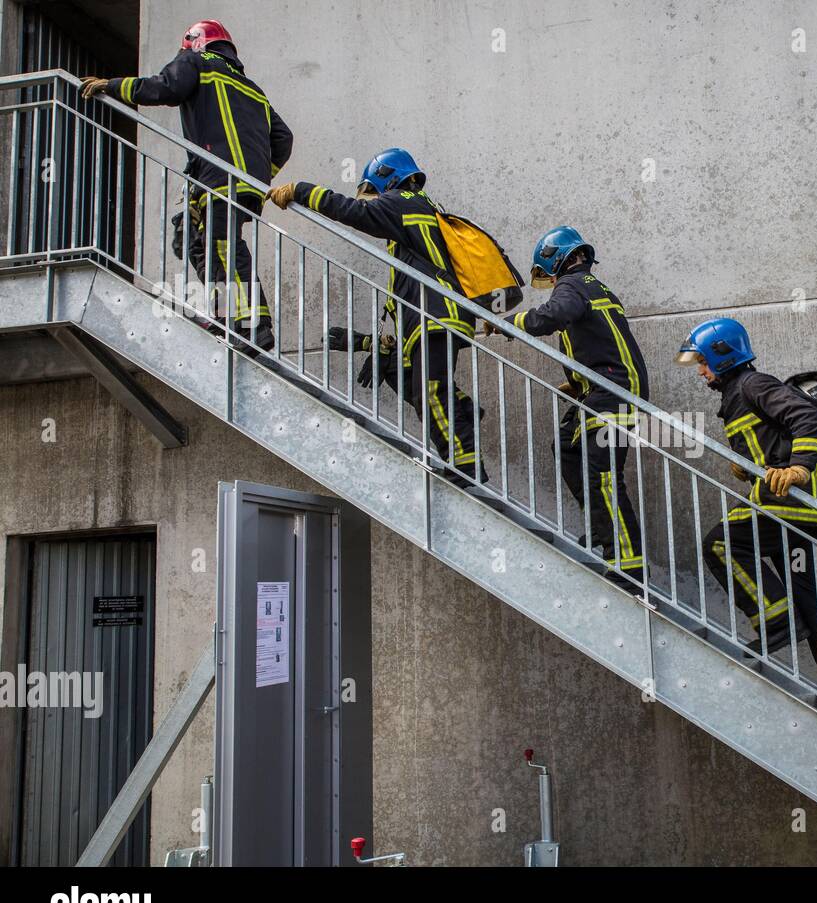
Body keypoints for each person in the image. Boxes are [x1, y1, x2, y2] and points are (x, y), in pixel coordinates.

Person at [677, 317, 817, 734]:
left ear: (721, 355)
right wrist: (748, 467)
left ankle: (776, 619)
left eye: (702, 362)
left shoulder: (753, 385)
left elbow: (805, 420)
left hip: (792, 507)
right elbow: (774, 441)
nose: (699, 371)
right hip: (802, 513)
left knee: (720, 545)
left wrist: (800, 468)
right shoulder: (739, 394)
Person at [266, 149, 485, 485]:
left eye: (375, 190)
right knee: (409, 378)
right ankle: (464, 410)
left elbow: (352, 211)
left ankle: (466, 468)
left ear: (386, 178)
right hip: (432, 318)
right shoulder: (420, 211)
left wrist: (300, 190)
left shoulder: (402, 201)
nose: (376, 198)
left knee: (429, 393)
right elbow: (402, 286)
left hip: (434, 317)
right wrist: (374, 343)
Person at [81, 19, 292, 353]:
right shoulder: (253, 89)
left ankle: (255, 326)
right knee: (200, 245)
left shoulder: (195, 61)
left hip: (221, 180)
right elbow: (283, 138)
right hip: (237, 183)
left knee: (222, 247)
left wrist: (112, 85)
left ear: (197, 42)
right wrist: (262, 176)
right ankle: (229, 317)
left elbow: (167, 87)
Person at [486, 226, 647, 576]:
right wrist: (577, 383)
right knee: (567, 447)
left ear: (556, 259)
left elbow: (553, 316)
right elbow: (599, 341)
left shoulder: (571, 285)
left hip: (612, 394)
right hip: (602, 390)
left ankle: (629, 565)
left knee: (603, 477)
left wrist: (508, 323)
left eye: (547, 273)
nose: (549, 280)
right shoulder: (594, 286)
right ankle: (606, 531)